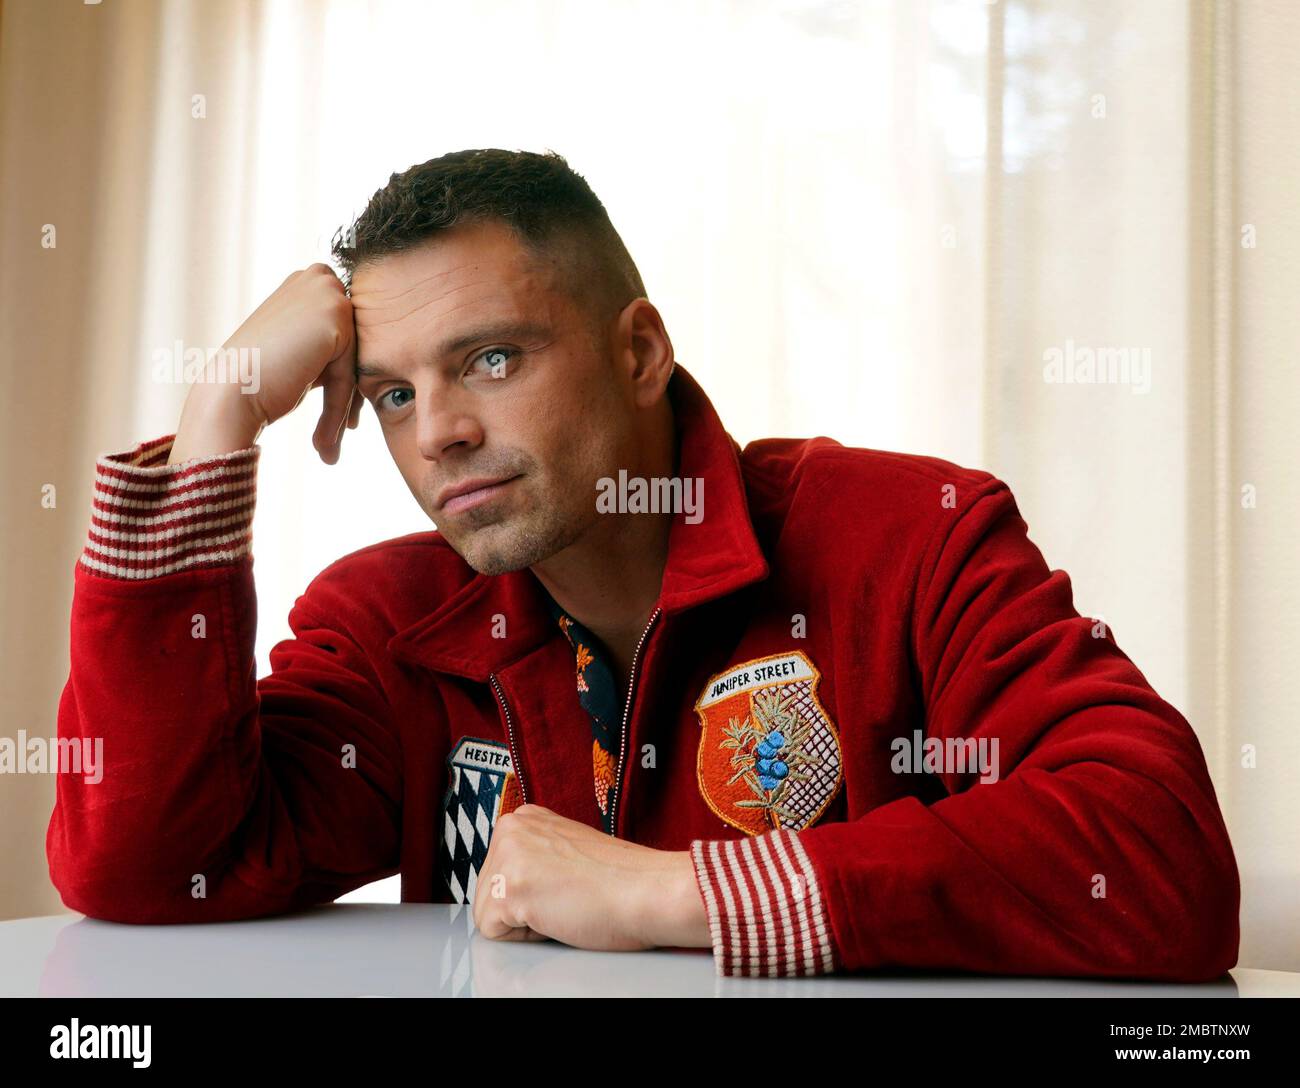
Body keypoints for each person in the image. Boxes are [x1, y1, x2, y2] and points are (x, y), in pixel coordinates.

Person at [48, 148, 1240, 980]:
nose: (439, 429)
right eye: (394, 391)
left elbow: (1156, 852)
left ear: (641, 350)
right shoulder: (387, 622)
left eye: (494, 358)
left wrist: (680, 893)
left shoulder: (907, 533)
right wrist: (214, 422)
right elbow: (153, 867)